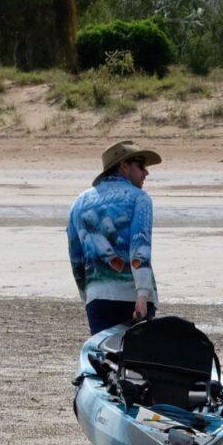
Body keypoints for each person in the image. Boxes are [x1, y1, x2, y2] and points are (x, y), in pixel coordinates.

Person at [67, 140, 162, 334]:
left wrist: (87, 295)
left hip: (98, 298)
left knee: (104, 361)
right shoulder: (139, 198)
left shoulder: (79, 202)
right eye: (141, 166)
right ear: (124, 166)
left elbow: (76, 257)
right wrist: (142, 296)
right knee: (137, 360)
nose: (146, 173)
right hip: (133, 297)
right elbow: (140, 248)